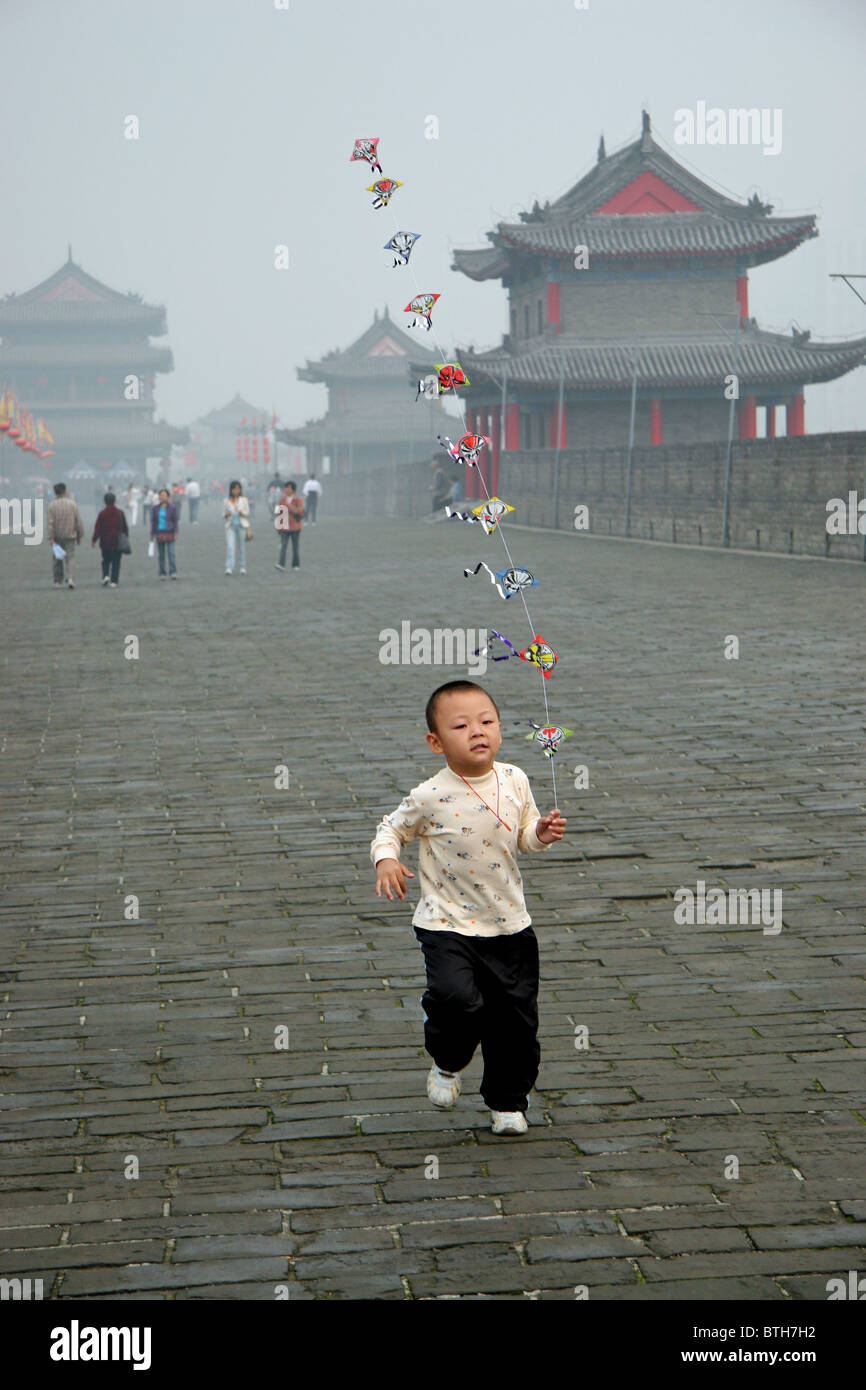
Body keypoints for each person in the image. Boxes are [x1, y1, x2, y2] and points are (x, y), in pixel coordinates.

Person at [370, 680, 566, 1135]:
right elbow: (390, 828)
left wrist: (541, 833)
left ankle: (508, 1101)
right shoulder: (429, 796)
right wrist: (386, 859)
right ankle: (448, 1059)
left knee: (516, 1022)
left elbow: (522, 836)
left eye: (487, 721)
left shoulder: (515, 778)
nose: (477, 731)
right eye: (461, 725)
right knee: (457, 1000)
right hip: (446, 924)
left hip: (510, 926)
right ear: (436, 741)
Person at [46, 481, 85, 588]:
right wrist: (80, 534)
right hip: (70, 536)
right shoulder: (72, 504)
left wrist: (51, 537)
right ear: (65, 491)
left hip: (57, 536)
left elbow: (50, 523)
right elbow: (78, 521)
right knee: (70, 558)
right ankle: (71, 578)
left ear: (55, 493)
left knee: (57, 558)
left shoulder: (51, 506)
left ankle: (58, 581)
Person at [92, 491, 130, 587]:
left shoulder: (102, 513)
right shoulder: (120, 513)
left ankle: (105, 575)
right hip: (117, 541)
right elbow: (125, 528)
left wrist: (94, 539)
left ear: (105, 501)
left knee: (105, 560)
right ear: (115, 501)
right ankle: (114, 581)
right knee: (116, 561)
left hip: (105, 541)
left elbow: (98, 528)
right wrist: (126, 537)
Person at [274, 479, 304, 571]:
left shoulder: (298, 500)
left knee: (295, 547)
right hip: (284, 526)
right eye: (285, 487)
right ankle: (281, 564)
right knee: (283, 546)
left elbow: (298, 511)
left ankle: (295, 565)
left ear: (292, 489)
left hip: (295, 526)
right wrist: (278, 526)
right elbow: (279, 513)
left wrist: (288, 504)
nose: (285, 489)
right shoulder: (281, 500)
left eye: (287, 487)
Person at [223, 479, 251, 575]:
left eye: (238, 489)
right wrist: (226, 514)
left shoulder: (244, 500)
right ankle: (229, 567)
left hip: (241, 525)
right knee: (230, 547)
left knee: (241, 547)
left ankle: (242, 566)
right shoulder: (226, 501)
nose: (236, 491)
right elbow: (222, 514)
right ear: (231, 490)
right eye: (234, 489)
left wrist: (242, 512)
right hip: (230, 526)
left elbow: (247, 512)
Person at [151, 486, 179, 580]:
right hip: (159, 532)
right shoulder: (155, 508)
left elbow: (175, 521)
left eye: (164, 495)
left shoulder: (172, 508)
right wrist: (152, 534)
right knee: (161, 555)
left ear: (168, 497)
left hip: (170, 532)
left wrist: (176, 532)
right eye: (161, 495)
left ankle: (173, 572)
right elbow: (153, 522)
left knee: (171, 553)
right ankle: (162, 573)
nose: (162, 497)